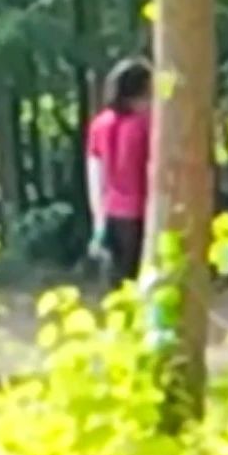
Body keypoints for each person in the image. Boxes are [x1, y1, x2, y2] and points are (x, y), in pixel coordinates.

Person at [85, 59, 155, 287]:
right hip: (140, 213)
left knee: (116, 284)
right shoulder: (146, 125)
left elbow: (95, 176)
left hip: (110, 214)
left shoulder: (99, 125)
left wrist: (98, 221)